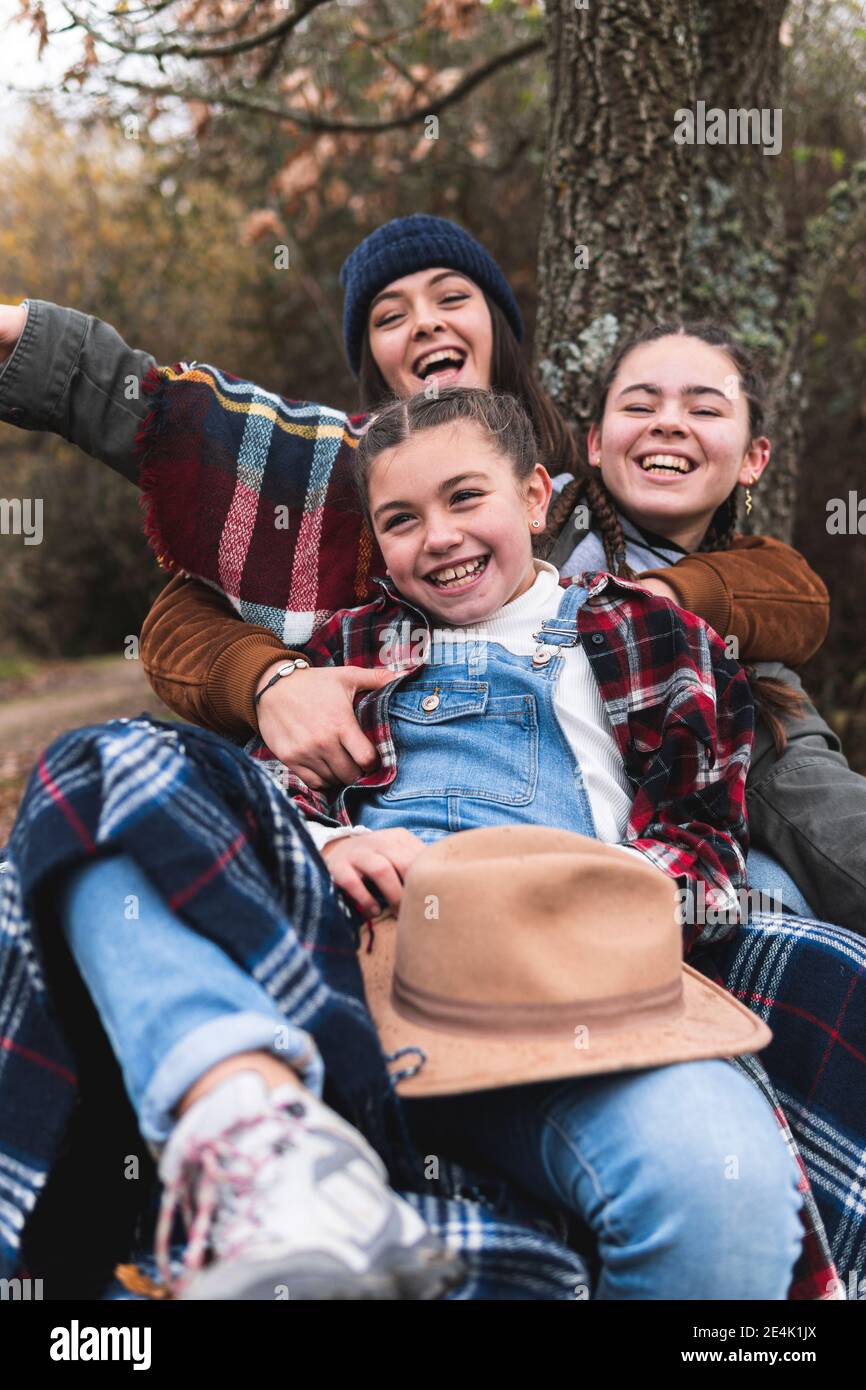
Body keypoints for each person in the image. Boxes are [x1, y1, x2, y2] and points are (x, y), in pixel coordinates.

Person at [1, 386, 817, 1300]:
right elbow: (270, 786)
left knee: (725, 1200)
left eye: (467, 498)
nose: (438, 537)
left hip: (569, 1003)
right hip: (354, 967)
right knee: (105, 768)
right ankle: (255, 1135)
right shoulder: (349, 647)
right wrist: (317, 842)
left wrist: (589, 903)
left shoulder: (653, 634)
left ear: (538, 497)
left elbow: (705, 842)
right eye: (401, 519)